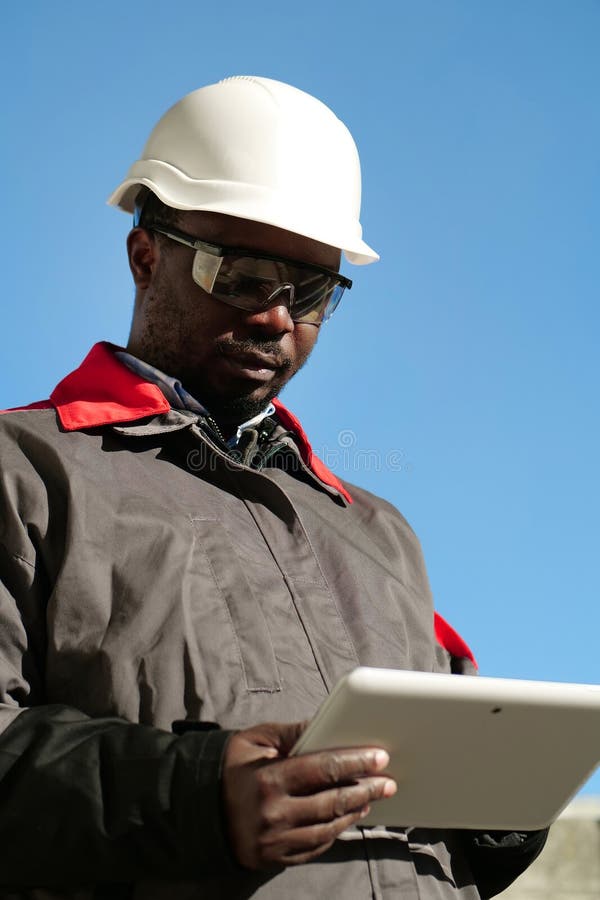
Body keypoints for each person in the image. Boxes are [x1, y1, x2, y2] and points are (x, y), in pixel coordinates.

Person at [0, 76, 545, 899]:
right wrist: (192, 797)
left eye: (313, 291)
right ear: (145, 254)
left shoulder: (378, 530)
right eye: (244, 275)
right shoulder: (24, 470)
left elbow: (469, 796)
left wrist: (511, 807)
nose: (278, 319)